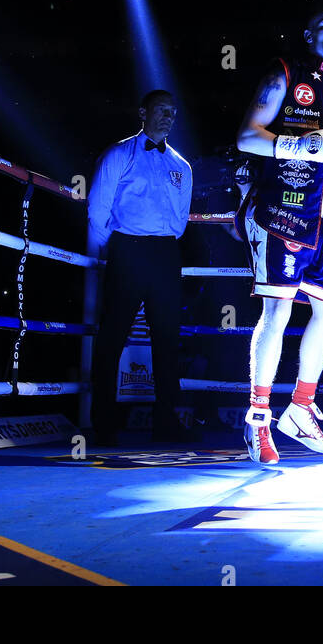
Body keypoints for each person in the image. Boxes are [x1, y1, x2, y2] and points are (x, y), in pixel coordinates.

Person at [234, 6, 323, 465]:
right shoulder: (285, 73)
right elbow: (245, 137)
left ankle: (299, 408)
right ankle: (257, 419)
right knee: (276, 310)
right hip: (282, 213)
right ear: (308, 34)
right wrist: (296, 144)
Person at [87, 89, 194, 445]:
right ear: (142, 112)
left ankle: (166, 421)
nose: (168, 117)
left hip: (164, 252)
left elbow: (180, 221)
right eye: (161, 110)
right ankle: (104, 424)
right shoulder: (119, 154)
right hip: (127, 250)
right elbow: (98, 210)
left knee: (167, 339)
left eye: (172, 112)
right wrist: (118, 248)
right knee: (113, 334)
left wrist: (156, 242)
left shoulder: (181, 166)